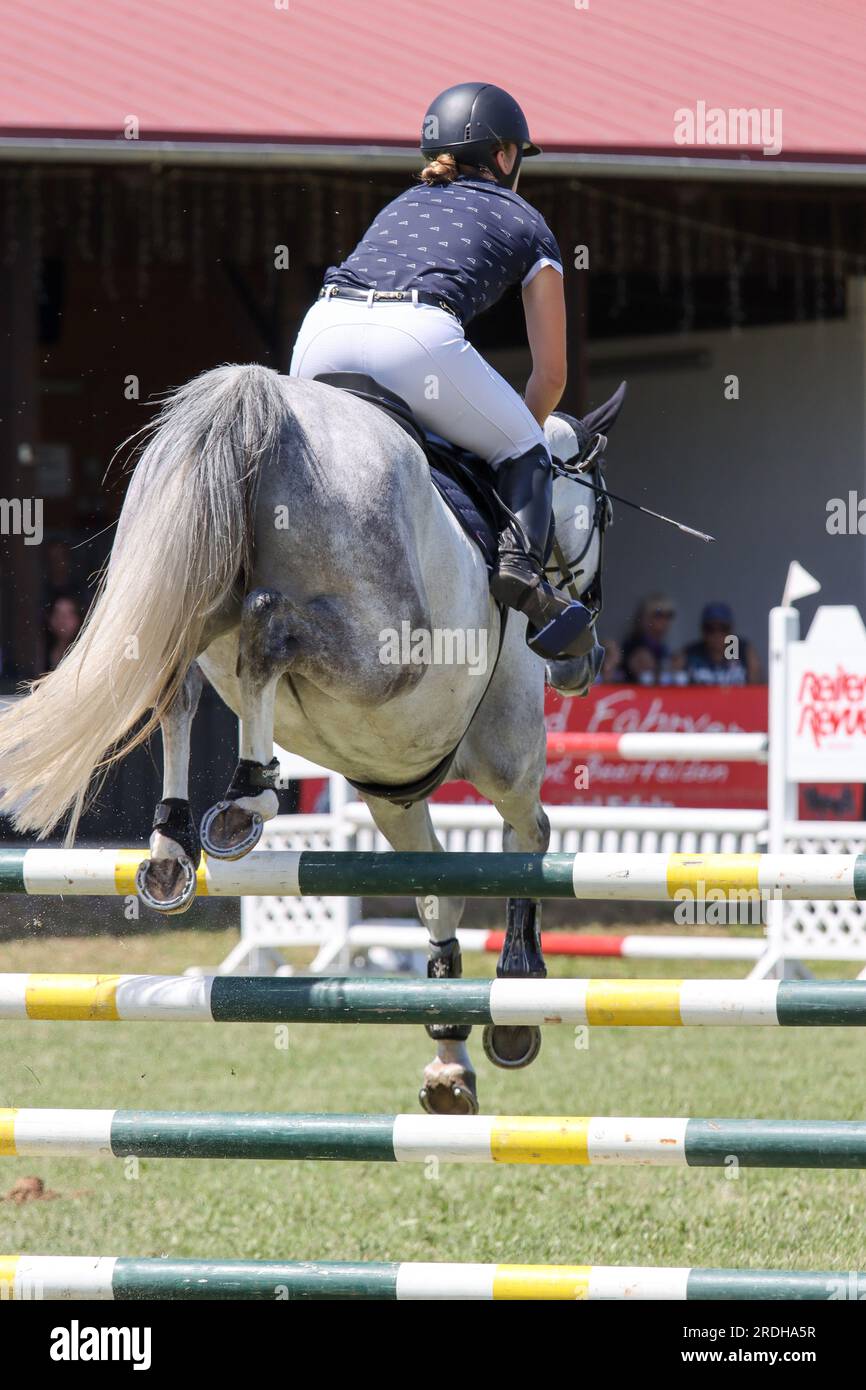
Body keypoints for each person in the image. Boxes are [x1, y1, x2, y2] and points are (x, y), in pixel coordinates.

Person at [289, 82, 593, 659]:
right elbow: (551, 376)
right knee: (527, 447)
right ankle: (521, 577)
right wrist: (498, 444)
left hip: (320, 332)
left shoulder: (402, 204)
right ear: (504, 156)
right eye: (518, 156)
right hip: (412, 339)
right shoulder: (527, 221)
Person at [679, 602, 762, 685]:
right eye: (710, 629)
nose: (717, 634)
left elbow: (755, 688)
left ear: (731, 630)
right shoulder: (691, 654)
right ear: (702, 631)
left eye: (723, 628)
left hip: (735, 698)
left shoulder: (743, 651)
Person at [620, 594, 678, 684]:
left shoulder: (663, 647)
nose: (665, 621)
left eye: (669, 615)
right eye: (658, 615)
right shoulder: (632, 647)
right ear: (644, 618)